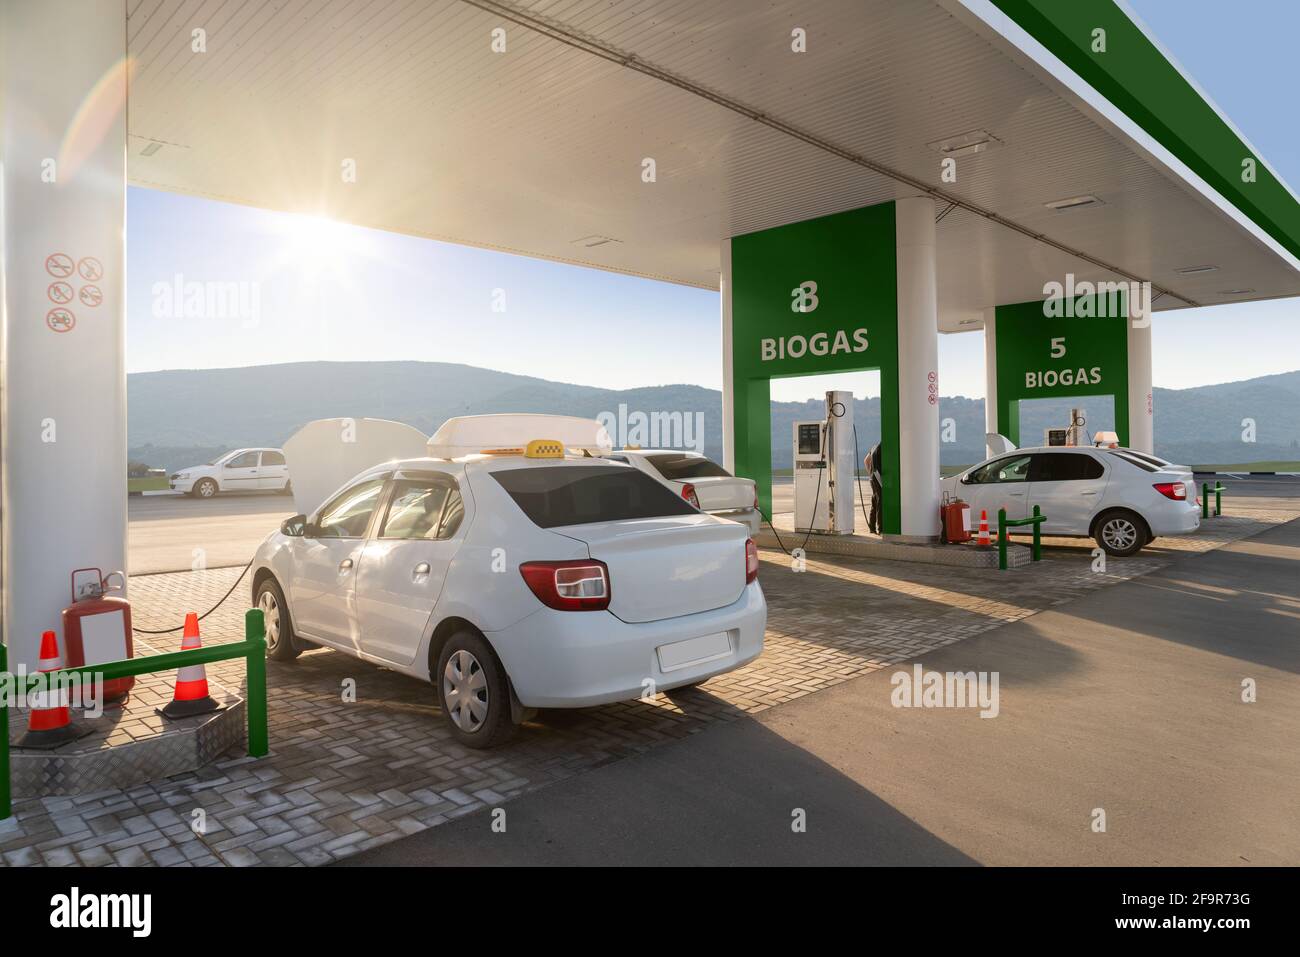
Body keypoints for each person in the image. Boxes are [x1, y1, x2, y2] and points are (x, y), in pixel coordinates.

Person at [865, 442, 883, 535]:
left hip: (873, 476)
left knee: (874, 501)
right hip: (878, 476)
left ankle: (872, 527)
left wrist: (870, 473)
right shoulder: (883, 446)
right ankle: (881, 528)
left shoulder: (874, 446)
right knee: (881, 501)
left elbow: (866, 460)